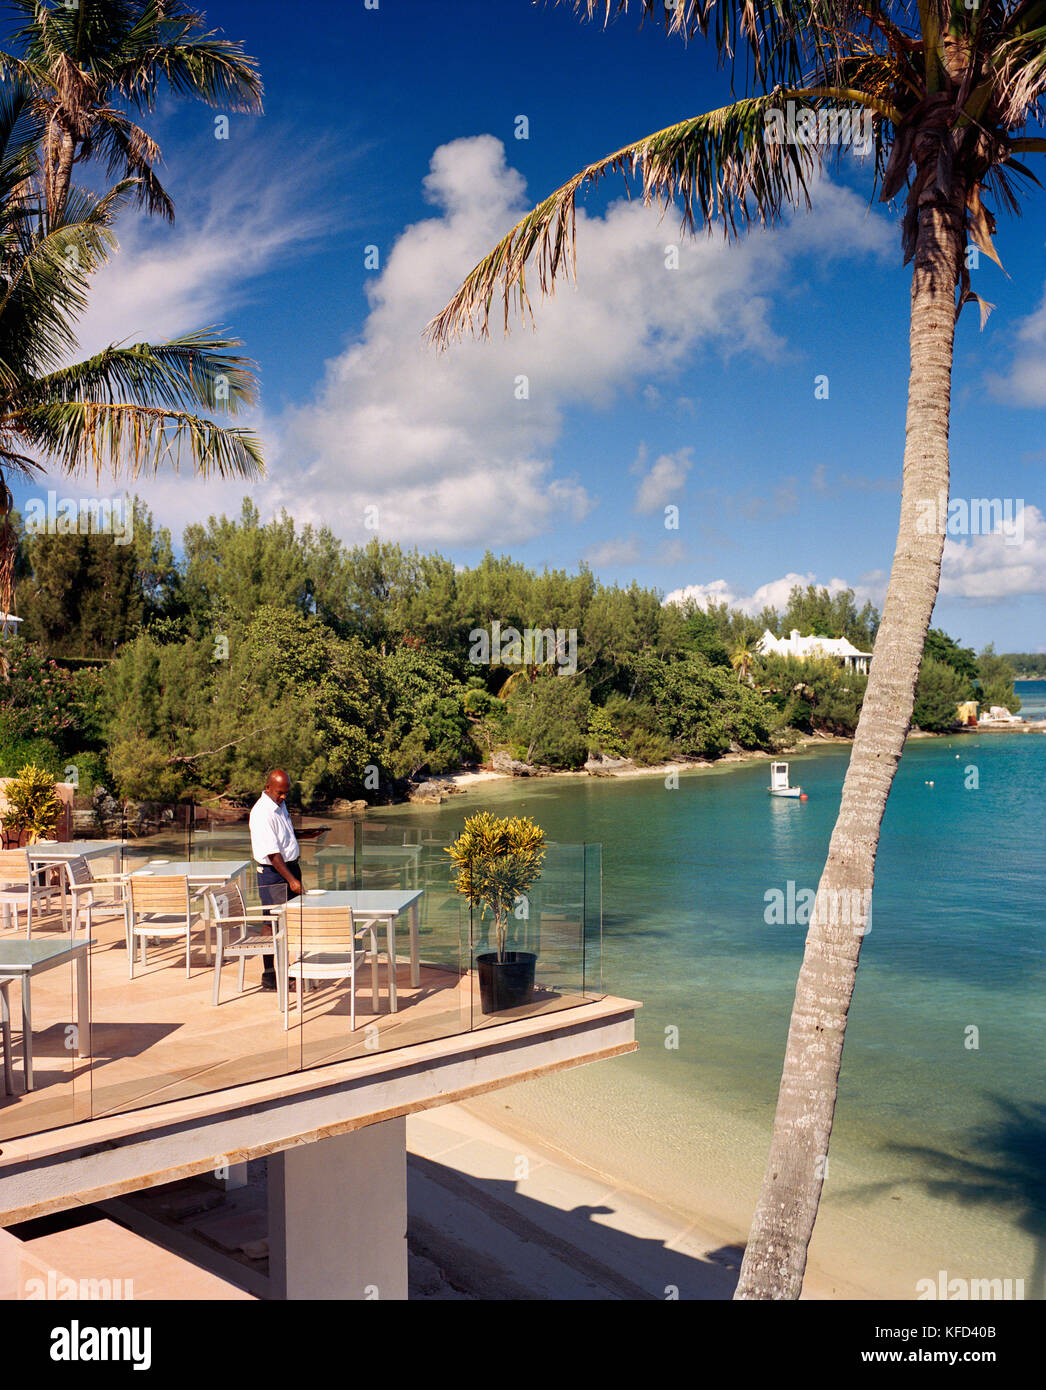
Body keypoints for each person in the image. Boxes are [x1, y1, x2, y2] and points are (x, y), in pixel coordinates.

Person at [249, 768, 302, 992]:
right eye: (280, 793)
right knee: (272, 924)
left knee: (289, 922)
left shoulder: (279, 805)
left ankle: (287, 970)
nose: (283, 797)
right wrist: (292, 880)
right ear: (268, 787)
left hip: (289, 868)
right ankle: (271, 976)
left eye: (286, 793)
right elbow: (273, 854)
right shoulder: (262, 812)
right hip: (274, 873)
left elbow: (282, 839)